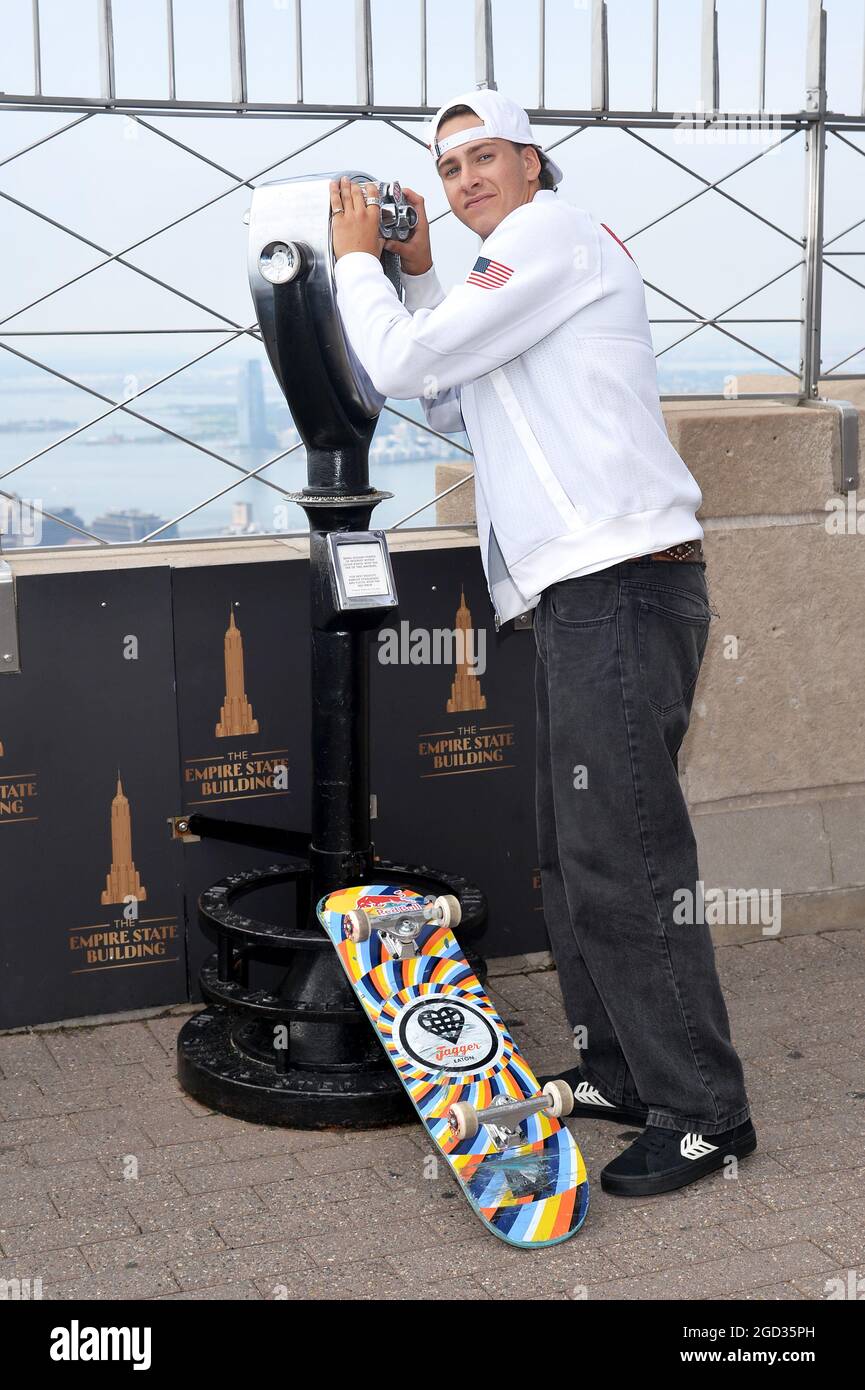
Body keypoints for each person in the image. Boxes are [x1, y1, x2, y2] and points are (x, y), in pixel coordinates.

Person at [328, 86, 755, 1197]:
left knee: (628, 859)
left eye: (481, 157)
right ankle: (623, 1071)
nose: (463, 178)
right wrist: (418, 276)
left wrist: (354, 263)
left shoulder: (551, 235)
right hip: (581, 596)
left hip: (619, 584)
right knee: (576, 859)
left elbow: (406, 366)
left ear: (530, 161)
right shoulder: (510, 274)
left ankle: (704, 1112)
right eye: (447, 165)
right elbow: (452, 403)